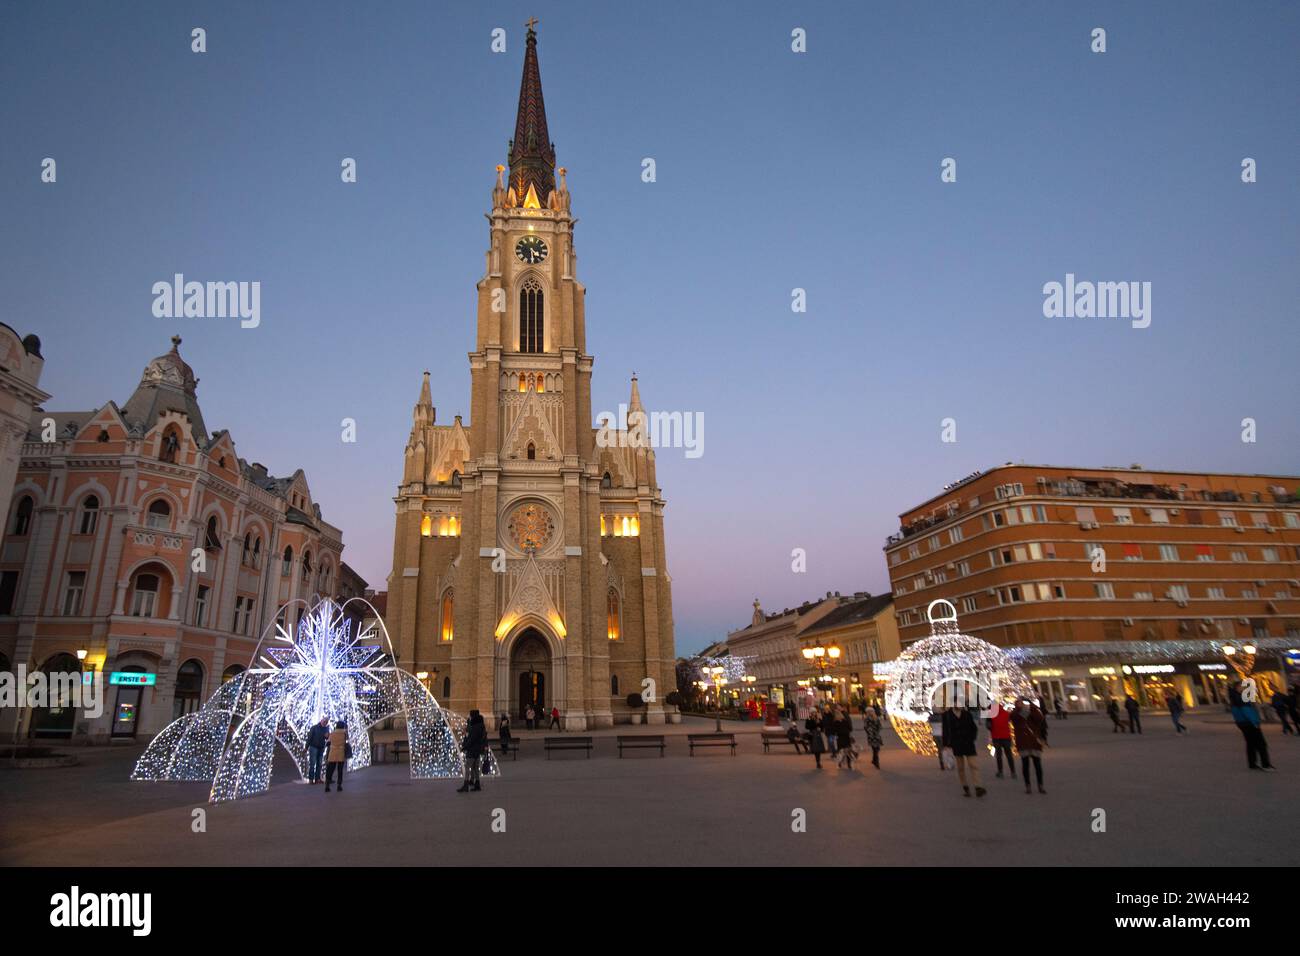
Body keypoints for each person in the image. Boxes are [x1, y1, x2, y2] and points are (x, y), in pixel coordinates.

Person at [1229, 684, 1275, 772]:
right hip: (1249, 723)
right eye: (1242, 687)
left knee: (1250, 743)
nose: (1244, 688)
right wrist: (1255, 722)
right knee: (1261, 744)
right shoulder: (1241, 698)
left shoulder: (1234, 698)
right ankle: (1265, 764)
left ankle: (1252, 763)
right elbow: (1247, 711)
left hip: (1242, 723)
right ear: (1237, 688)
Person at [942, 704, 985, 797]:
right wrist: (946, 744)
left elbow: (974, 728)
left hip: (968, 743)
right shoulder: (947, 715)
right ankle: (965, 787)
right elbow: (945, 730)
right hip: (956, 743)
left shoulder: (967, 714)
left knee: (974, 765)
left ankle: (978, 787)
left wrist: (972, 738)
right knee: (961, 767)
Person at [1009, 698, 1048, 794]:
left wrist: (1032, 707)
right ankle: (1028, 785)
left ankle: (1040, 785)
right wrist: (1018, 709)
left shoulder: (1033, 711)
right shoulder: (1015, 713)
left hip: (1034, 741)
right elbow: (1012, 717)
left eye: (1022, 703)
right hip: (1023, 742)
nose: (1022, 704)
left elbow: (1040, 718)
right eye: (1019, 703)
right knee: (1025, 764)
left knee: (1037, 764)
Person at [458, 709, 487, 792]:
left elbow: (471, 739)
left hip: (472, 750)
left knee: (467, 768)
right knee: (475, 768)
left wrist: (464, 747)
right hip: (477, 750)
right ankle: (477, 784)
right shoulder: (481, 726)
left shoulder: (474, 727)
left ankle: (466, 785)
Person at [987, 701, 1015, 779]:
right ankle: (1013, 771)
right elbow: (1011, 721)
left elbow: (988, 726)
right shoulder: (1006, 713)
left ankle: (1000, 771)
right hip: (1006, 736)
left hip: (996, 737)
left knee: (999, 755)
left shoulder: (991, 715)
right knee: (1009, 754)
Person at [324, 720, 349, 792]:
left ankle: (327, 785)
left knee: (330, 770)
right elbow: (347, 740)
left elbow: (328, 742)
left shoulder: (332, 733)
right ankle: (339, 785)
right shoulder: (344, 734)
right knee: (340, 770)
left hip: (332, 752)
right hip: (341, 752)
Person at [306, 716, 329, 784]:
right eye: (324, 721)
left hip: (321, 747)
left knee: (319, 764)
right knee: (312, 763)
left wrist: (327, 736)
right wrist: (306, 747)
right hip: (313, 747)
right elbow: (309, 737)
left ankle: (317, 778)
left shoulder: (326, 729)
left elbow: (327, 738)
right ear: (321, 721)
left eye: (326, 722)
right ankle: (311, 779)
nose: (325, 723)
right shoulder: (314, 727)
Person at [862, 704, 883, 769]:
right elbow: (865, 727)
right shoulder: (867, 719)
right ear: (867, 712)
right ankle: (876, 762)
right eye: (869, 711)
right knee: (875, 749)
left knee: (877, 748)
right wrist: (869, 732)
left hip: (877, 735)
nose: (871, 712)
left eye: (872, 711)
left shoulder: (876, 718)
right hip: (871, 736)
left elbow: (880, 726)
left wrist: (878, 730)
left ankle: (874, 760)